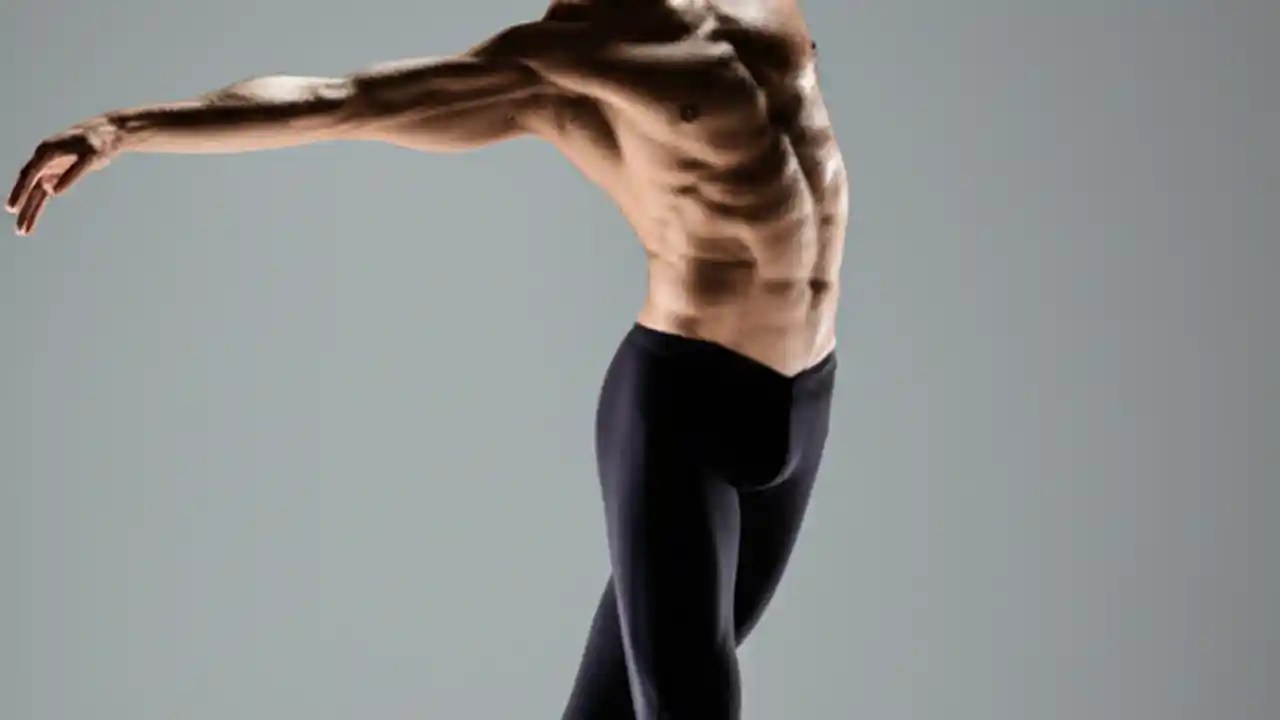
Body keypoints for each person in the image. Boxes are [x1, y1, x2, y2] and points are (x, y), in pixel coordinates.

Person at [6, 1, 848, 717]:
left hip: (807, 395)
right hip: (683, 410)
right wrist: (124, 130)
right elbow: (337, 101)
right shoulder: (567, 56)